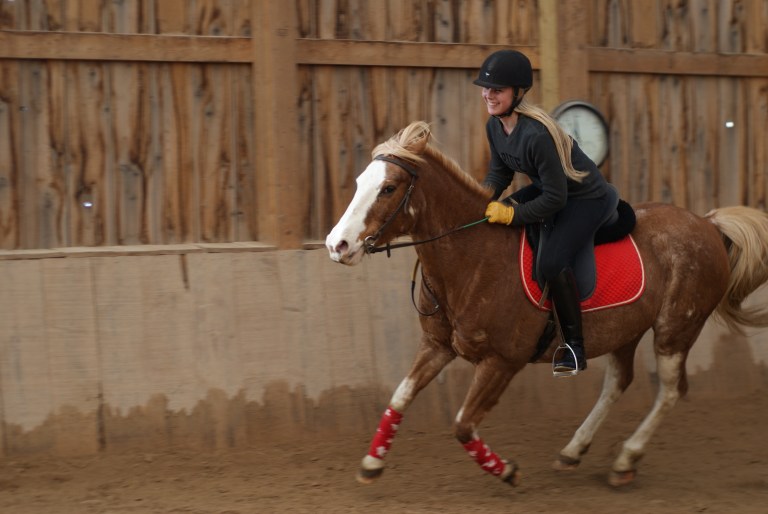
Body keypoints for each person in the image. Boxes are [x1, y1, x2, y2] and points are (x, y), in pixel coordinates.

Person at [474, 49, 619, 377]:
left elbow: (555, 198)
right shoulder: (495, 126)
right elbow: (500, 174)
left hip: (585, 198)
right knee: (494, 219)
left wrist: (512, 215)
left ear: (517, 93)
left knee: (553, 261)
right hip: (553, 190)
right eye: (485, 88)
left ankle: (574, 347)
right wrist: (479, 201)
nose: (488, 94)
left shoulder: (536, 135)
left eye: (496, 89)